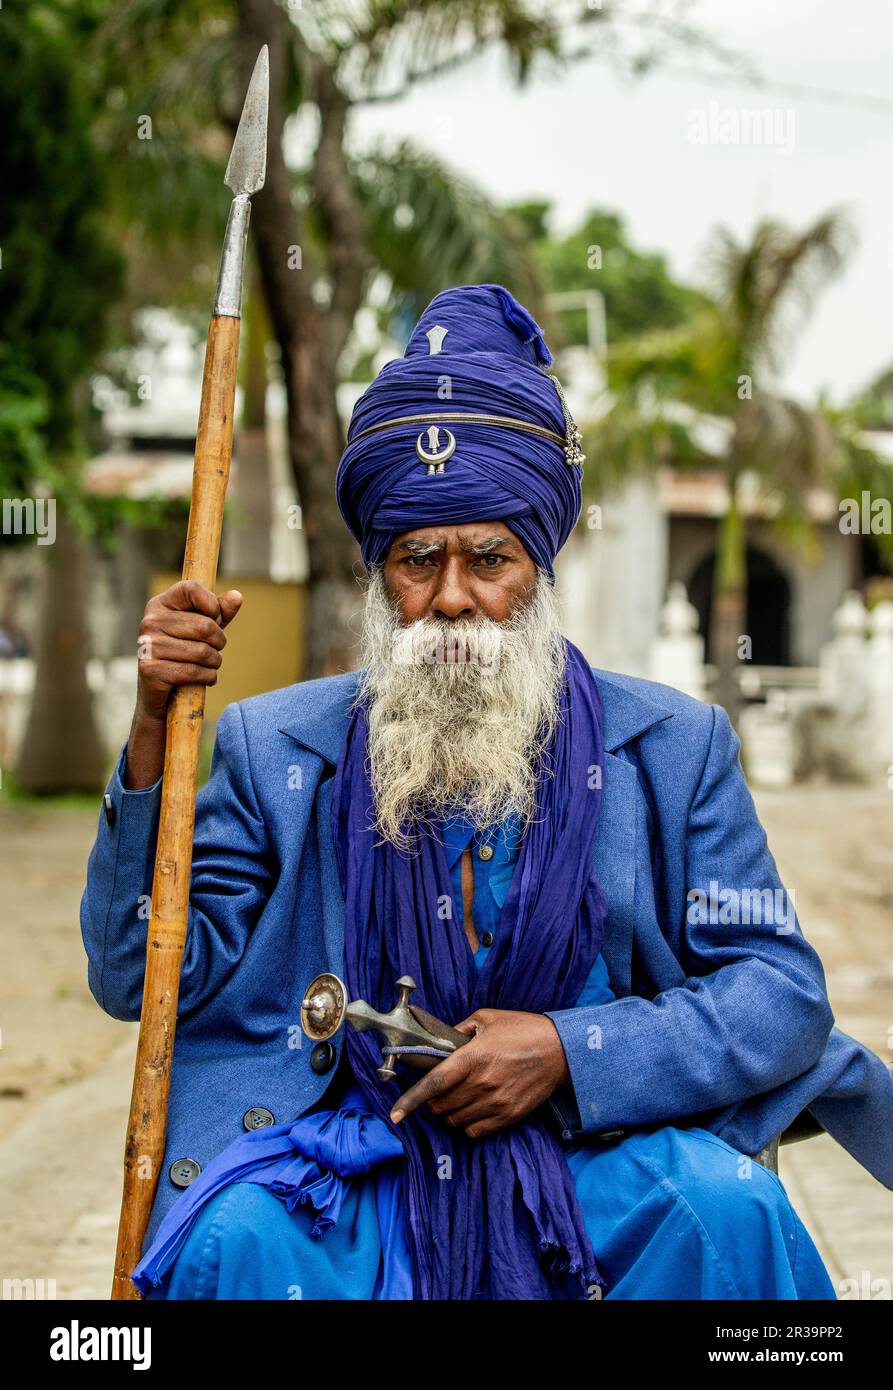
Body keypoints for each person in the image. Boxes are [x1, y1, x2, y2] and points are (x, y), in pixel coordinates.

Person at [81, 284, 893, 1301]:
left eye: (488, 558)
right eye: (417, 559)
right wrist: (155, 724)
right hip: (353, 1161)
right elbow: (135, 973)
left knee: (726, 1217)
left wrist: (568, 1051)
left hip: (590, 1151)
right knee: (235, 1244)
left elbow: (779, 995)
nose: (453, 594)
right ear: (380, 575)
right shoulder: (271, 747)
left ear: (539, 564)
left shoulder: (674, 748)